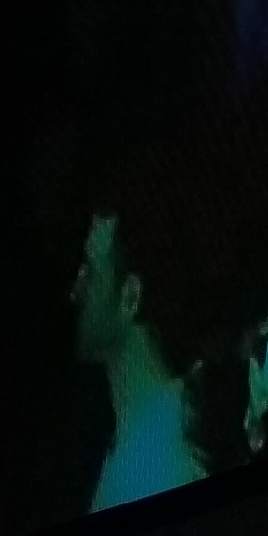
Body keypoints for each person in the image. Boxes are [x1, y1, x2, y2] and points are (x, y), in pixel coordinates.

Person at [69, 211, 207, 512]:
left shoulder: (162, 455)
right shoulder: (139, 435)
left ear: (130, 297)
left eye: (90, 272)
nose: (75, 292)